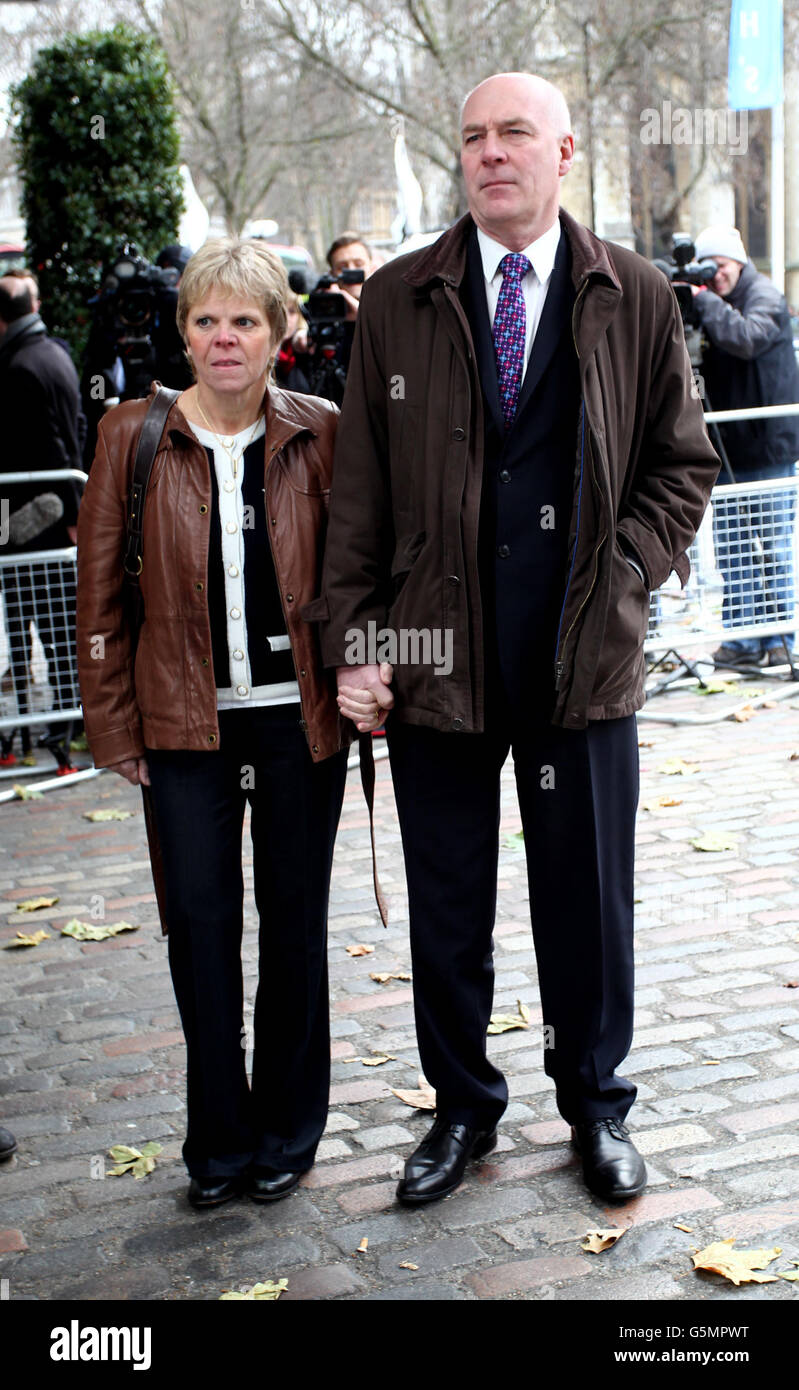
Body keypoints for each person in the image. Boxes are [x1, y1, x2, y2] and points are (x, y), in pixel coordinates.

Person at [313, 73, 720, 1206]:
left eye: (515, 134)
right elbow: (360, 496)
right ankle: (460, 1113)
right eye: (475, 136)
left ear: (563, 151)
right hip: (435, 657)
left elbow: (681, 463)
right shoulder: (398, 296)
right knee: (448, 902)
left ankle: (595, 1106)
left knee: (585, 900)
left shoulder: (630, 292)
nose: (492, 153)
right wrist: (354, 640)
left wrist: (629, 569)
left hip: (579, 654)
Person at [76, 237, 350, 1210]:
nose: (222, 338)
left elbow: (362, 576)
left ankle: (287, 1130)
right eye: (205, 320)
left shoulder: (322, 430)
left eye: (243, 320)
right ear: (184, 332)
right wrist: (114, 732)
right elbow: (100, 601)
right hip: (184, 733)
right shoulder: (130, 438)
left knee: (293, 930)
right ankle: (217, 1139)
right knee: (198, 932)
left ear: (279, 332)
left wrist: (368, 674)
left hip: (296, 729)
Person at [686, 225, 799, 668]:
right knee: (734, 552)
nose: (715, 277)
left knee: (772, 547)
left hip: (768, 447)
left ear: (739, 261)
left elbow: (748, 338)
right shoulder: (716, 301)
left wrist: (703, 299)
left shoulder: (765, 296)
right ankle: (743, 643)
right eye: (707, 271)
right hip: (727, 451)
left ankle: (782, 639)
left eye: (721, 267)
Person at [0, 275, 84, 773]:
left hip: (32, 523)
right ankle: (56, 728)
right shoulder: (53, 352)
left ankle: (55, 729)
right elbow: (72, 433)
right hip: (49, 517)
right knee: (55, 626)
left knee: (41, 626)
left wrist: (71, 513)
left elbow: (53, 444)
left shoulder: (20, 367)